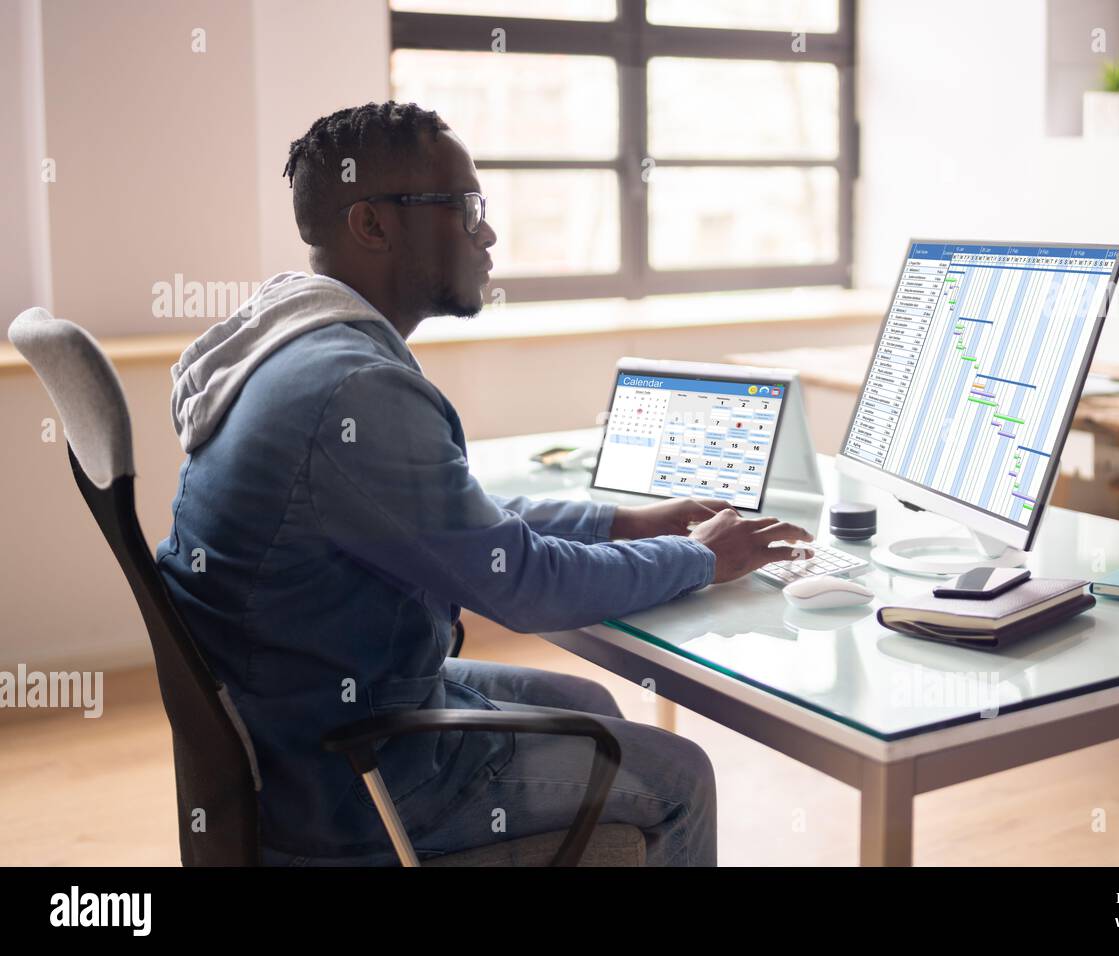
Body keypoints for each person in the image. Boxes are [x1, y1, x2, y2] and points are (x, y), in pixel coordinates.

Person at [156, 101, 812, 866]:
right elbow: (525, 584)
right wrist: (702, 559)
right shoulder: (352, 389)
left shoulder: (294, 351)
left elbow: (458, 520)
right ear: (372, 225)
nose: (488, 233)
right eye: (465, 207)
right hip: (346, 779)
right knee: (679, 773)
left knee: (591, 704)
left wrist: (619, 524)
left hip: (303, 716)